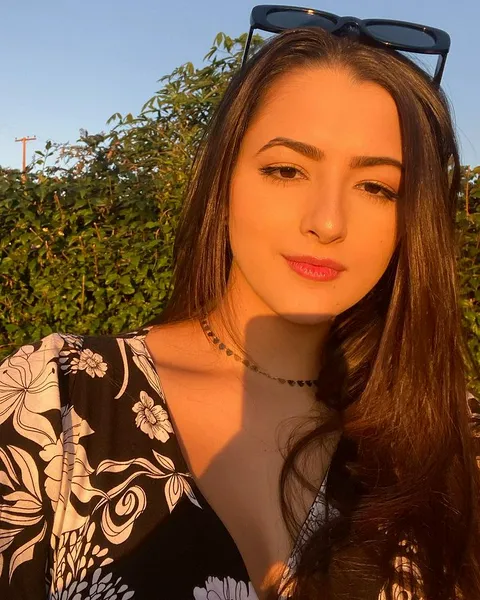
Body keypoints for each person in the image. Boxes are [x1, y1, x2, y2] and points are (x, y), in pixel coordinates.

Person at [1, 6, 479, 600]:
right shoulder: (54, 402)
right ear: (224, 178)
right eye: (286, 170)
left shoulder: (454, 440)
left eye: (376, 186)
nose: (328, 222)